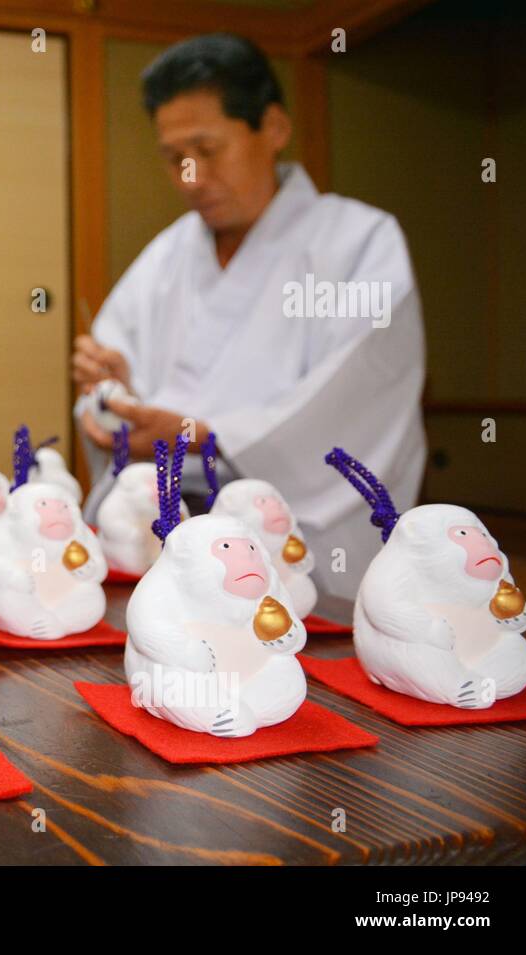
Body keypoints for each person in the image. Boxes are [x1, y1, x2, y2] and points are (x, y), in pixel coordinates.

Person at [73, 33, 425, 599]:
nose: (190, 177)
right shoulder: (167, 255)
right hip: (162, 534)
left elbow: (359, 399)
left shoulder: (359, 241)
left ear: (274, 129)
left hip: (287, 532)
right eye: (173, 158)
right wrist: (108, 393)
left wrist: (204, 436)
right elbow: (112, 385)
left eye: (207, 150)